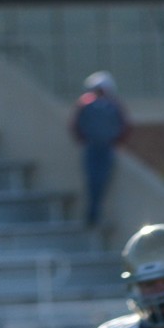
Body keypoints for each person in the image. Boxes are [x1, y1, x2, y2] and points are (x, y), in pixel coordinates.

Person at [68, 71, 131, 228]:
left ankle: (95, 213)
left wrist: (115, 141)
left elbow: (124, 126)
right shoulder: (86, 105)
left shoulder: (113, 106)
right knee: (93, 181)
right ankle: (92, 214)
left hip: (105, 148)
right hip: (93, 147)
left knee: (101, 181)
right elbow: (76, 125)